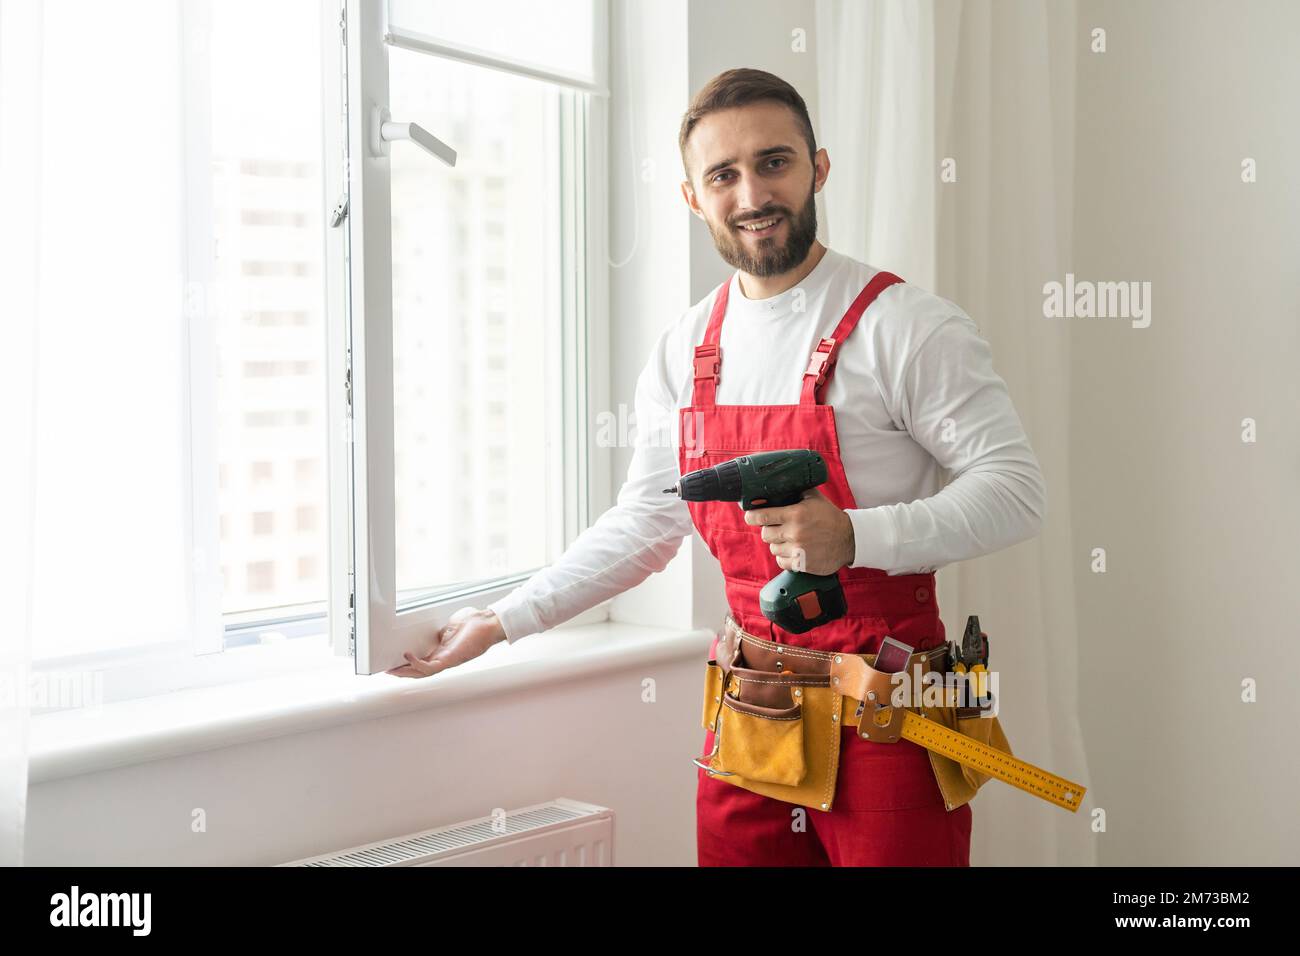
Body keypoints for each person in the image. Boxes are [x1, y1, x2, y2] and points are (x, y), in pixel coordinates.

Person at [387, 67, 1046, 867]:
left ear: (819, 168)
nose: (752, 195)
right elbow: (645, 521)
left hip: (891, 710)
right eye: (723, 175)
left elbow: (1015, 492)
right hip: (751, 709)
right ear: (693, 196)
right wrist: (502, 622)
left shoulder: (907, 326)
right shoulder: (687, 350)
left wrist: (855, 536)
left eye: (775, 162)